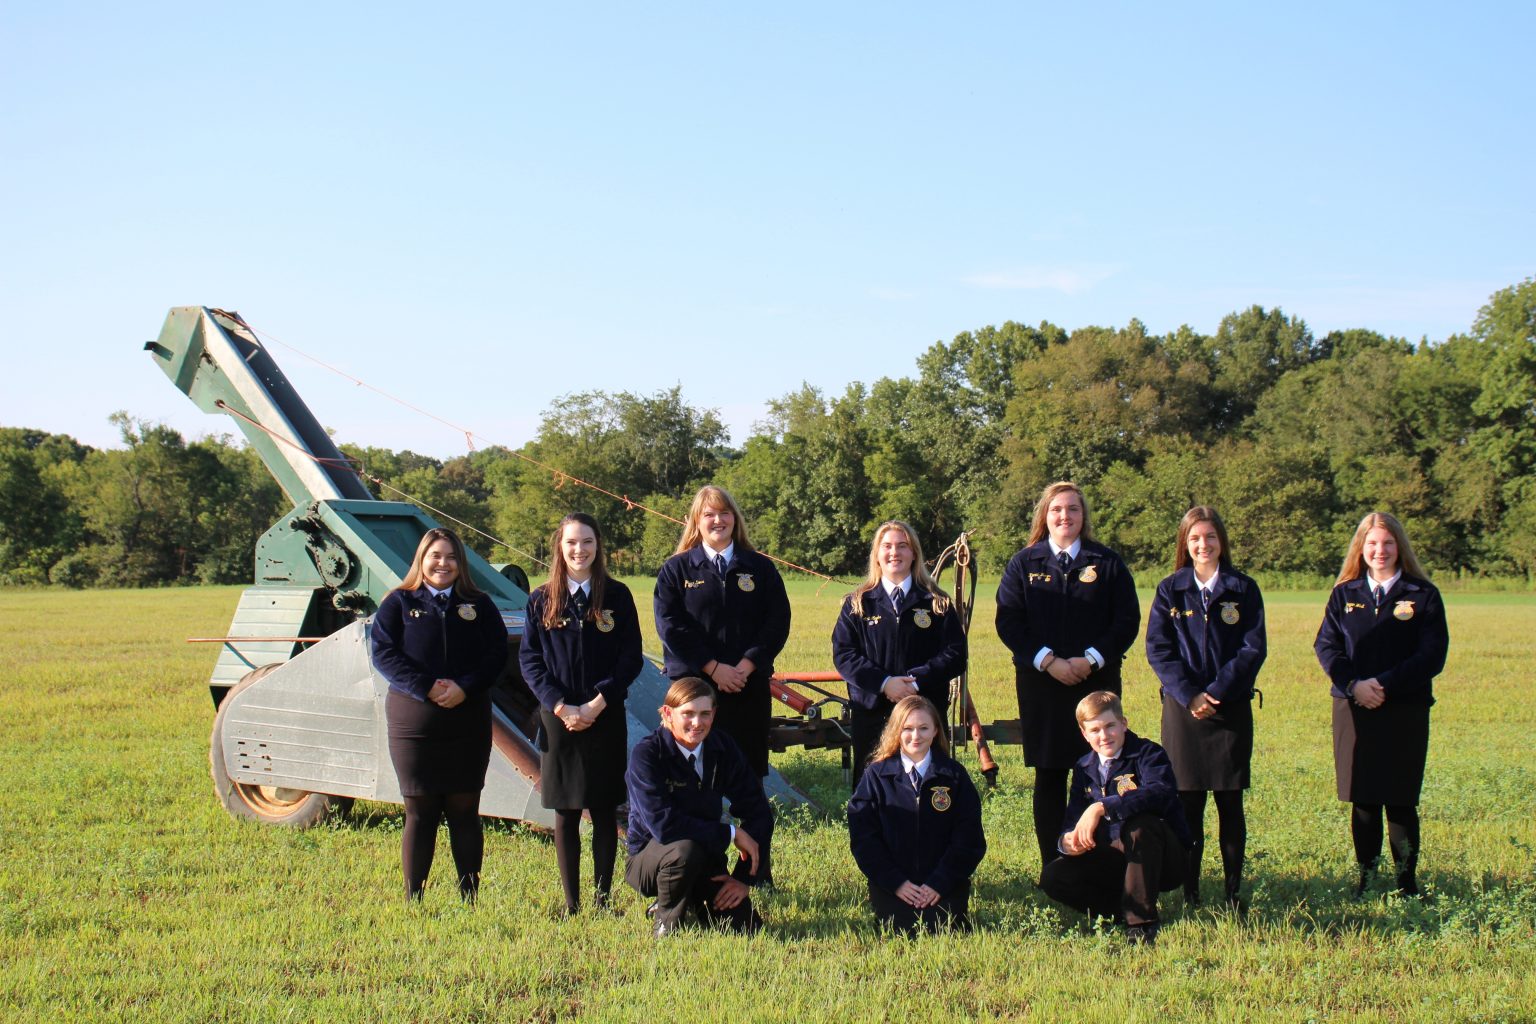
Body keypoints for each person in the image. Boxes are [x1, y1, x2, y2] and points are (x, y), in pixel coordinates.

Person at [995, 481, 1141, 872]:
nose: (1065, 516)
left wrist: (1089, 660)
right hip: (1041, 685)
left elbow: (1126, 621)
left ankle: (1102, 861)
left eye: (1073, 509)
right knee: (1050, 774)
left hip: (1095, 684)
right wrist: (1048, 661)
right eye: (1057, 509)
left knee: (1102, 769)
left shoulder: (1106, 563)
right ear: (1045, 514)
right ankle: (1053, 867)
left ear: (1083, 516)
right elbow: (1009, 621)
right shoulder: (1024, 564)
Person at [1314, 512, 1448, 897]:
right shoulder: (1345, 593)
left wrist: (1383, 685)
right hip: (1353, 708)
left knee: (1401, 800)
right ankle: (1367, 880)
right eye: (1372, 543)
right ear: (1361, 548)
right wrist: (1354, 685)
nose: (1380, 551)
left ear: (1399, 547)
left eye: (1387, 543)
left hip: (1403, 708)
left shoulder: (1422, 595)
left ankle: (1407, 883)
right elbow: (1326, 646)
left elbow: (1431, 655)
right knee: (1365, 799)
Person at [370, 527, 508, 902]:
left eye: (450, 557)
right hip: (414, 723)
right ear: (421, 559)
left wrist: (465, 686)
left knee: (465, 808)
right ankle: (414, 897)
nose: (442, 564)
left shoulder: (479, 604)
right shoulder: (398, 603)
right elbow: (383, 653)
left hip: (468, 720)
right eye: (435, 556)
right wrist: (426, 686)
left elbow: (497, 655)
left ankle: (469, 896)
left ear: (460, 563)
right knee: (421, 808)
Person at [518, 512, 642, 915]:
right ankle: (572, 903)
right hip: (558, 719)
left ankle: (603, 899)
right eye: (571, 542)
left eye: (587, 542)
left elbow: (630, 658)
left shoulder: (618, 596)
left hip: (604, 715)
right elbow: (531, 661)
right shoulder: (540, 599)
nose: (579, 550)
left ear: (598, 546)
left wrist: (597, 702)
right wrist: (560, 705)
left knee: (605, 809)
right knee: (567, 811)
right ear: (560, 546)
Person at [1145, 506, 1266, 909]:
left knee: (1230, 803)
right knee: (1188, 804)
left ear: (1221, 542)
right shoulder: (1169, 590)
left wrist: (1215, 692)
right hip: (1183, 711)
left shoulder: (1243, 589)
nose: (1203, 545)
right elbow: (1158, 649)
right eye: (1195, 538)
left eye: (1210, 537)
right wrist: (1189, 694)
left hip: (1229, 710)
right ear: (1185, 543)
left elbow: (1252, 648)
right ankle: (1191, 890)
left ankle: (1233, 891)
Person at [654, 484, 791, 778]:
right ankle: (698, 824)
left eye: (724, 513)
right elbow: (670, 626)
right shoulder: (676, 570)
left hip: (747, 683)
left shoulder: (760, 567)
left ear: (735, 519)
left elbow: (778, 621)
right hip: (694, 685)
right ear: (696, 521)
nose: (718, 520)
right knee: (693, 771)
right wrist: (713, 668)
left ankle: (748, 825)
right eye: (709, 514)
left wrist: (746, 664)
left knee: (746, 770)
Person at [624, 677, 775, 936]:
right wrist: (731, 833)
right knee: (684, 849)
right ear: (668, 713)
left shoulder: (723, 748)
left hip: (705, 855)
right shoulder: (647, 755)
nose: (697, 723)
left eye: (705, 713)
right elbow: (664, 827)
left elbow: (759, 812)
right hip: (650, 860)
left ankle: (695, 898)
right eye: (688, 714)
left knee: (745, 928)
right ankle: (667, 921)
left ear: (714, 714)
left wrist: (742, 879)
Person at [1039, 691, 1191, 945]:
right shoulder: (1084, 767)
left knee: (1140, 826)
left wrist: (1103, 807)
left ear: (1123, 723)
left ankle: (1141, 924)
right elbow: (1073, 818)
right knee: (1053, 877)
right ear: (1084, 734)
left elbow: (1160, 792)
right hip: (1114, 858)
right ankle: (1119, 911)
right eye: (1095, 730)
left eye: (1110, 726)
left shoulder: (1148, 754)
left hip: (1161, 858)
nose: (1104, 735)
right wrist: (1067, 842)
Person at [832, 521, 967, 788]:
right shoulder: (857, 603)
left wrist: (915, 682)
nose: (895, 552)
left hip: (925, 713)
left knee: (930, 787)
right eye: (888, 546)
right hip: (872, 715)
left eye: (902, 546)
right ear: (877, 555)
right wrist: (885, 683)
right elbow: (844, 654)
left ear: (914, 553)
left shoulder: (936, 603)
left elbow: (955, 654)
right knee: (873, 789)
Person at [846, 695, 986, 933]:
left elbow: (969, 838)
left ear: (935, 731)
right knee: (899, 928)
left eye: (923, 728)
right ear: (895, 732)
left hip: (943, 884)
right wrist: (896, 883)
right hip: (895, 885)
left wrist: (939, 883)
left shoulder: (954, 776)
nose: (916, 736)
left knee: (944, 926)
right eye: (907, 729)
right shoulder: (876, 776)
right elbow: (864, 839)